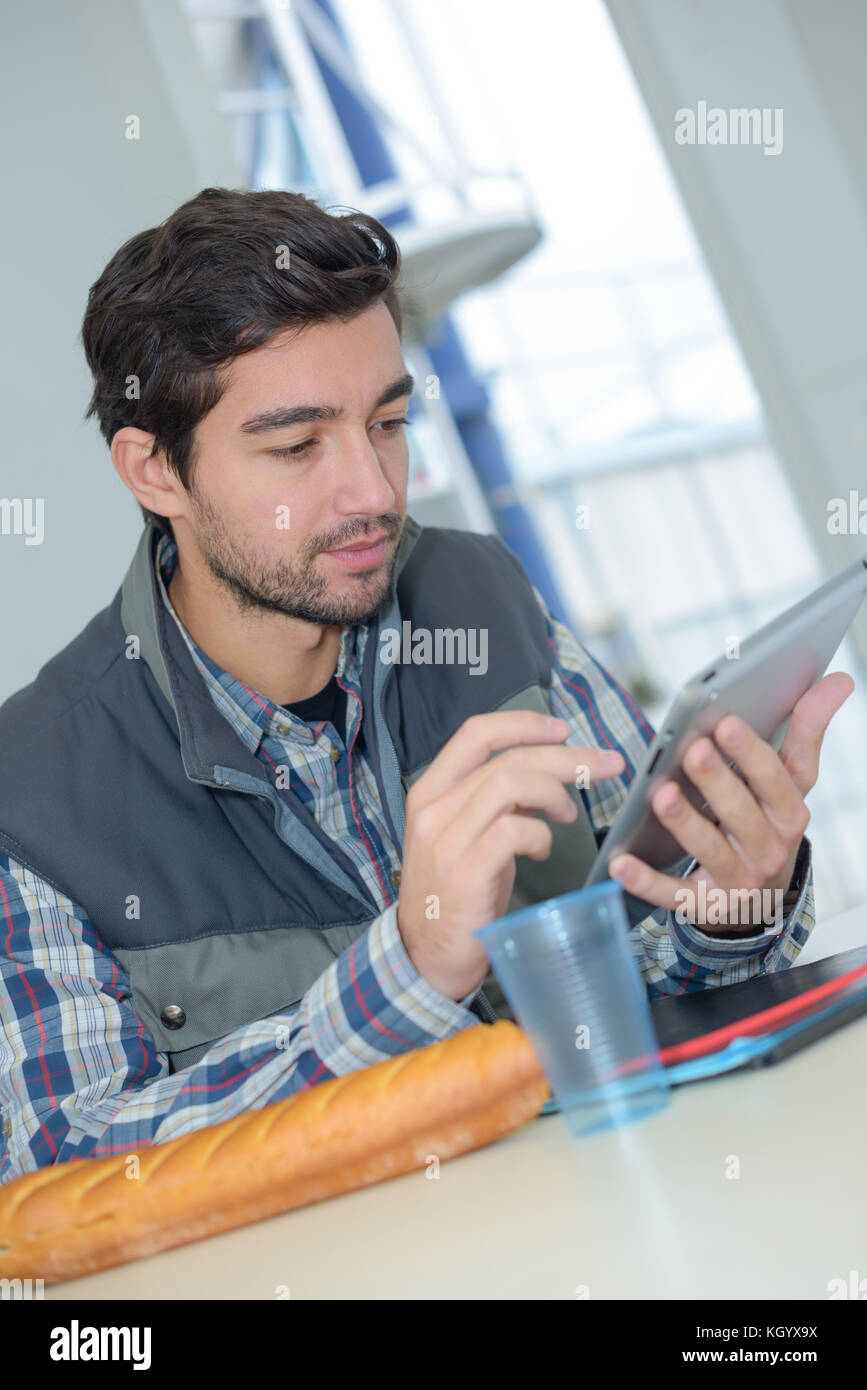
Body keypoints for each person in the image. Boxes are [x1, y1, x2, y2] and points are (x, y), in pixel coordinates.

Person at [0, 187, 851, 1184]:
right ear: (155, 473)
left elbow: (645, 971)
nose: (372, 490)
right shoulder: (33, 797)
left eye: (388, 421)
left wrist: (731, 905)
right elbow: (65, 1171)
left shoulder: (480, 598)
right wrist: (410, 969)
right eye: (296, 445)